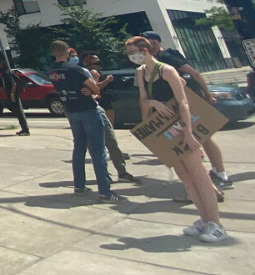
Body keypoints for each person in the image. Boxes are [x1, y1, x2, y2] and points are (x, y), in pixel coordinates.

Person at [127, 36, 226, 242]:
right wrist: (153, 103)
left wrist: (189, 132)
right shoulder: (140, 72)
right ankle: (203, 220)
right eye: (129, 53)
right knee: (185, 177)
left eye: (133, 52)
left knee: (198, 175)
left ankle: (216, 224)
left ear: (145, 50)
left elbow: (183, 103)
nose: (132, 57)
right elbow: (143, 100)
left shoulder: (167, 70)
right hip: (164, 131)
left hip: (181, 127)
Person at [141, 31, 233, 192]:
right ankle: (205, 182)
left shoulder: (168, 56)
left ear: (154, 42)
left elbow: (194, 73)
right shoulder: (152, 63)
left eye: (146, 41)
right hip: (172, 107)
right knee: (187, 142)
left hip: (187, 102)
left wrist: (207, 94)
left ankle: (220, 173)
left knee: (204, 138)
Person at [49, 41, 126, 203]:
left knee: (79, 148)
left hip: (71, 110)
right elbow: (97, 90)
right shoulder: (75, 70)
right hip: (88, 110)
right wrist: (89, 90)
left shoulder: (52, 70)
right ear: (67, 53)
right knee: (99, 152)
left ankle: (79, 185)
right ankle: (105, 192)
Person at [80, 51, 139, 184]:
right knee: (107, 137)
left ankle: (118, 171)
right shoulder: (92, 73)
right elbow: (96, 88)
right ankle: (114, 171)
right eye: (94, 59)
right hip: (99, 105)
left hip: (101, 104)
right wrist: (107, 80)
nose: (97, 61)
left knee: (109, 136)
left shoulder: (88, 72)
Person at [0, 62, 30, 136]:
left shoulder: (6, 74)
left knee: (19, 112)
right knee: (16, 111)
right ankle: (24, 129)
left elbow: (14, 84)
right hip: (11, 95)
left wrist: (12, 94)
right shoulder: (5, 74)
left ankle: (25, 130)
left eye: (0, 66)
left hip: (13, 96)